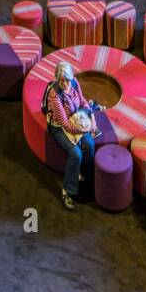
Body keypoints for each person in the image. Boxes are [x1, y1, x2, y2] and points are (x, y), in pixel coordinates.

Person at [45, 61, 99, 210]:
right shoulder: (54, 95)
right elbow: (64, 124)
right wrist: (86, 129)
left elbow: (82, 102)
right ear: (57, 79)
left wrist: (91, 115)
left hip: (76, 119)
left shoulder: (74, 83)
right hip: (59, 127)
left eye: (67, 80)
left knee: (89, 145)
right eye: (61, 80)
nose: (65, 84)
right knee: (76, 154)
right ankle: (67, 191)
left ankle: (86, 177)